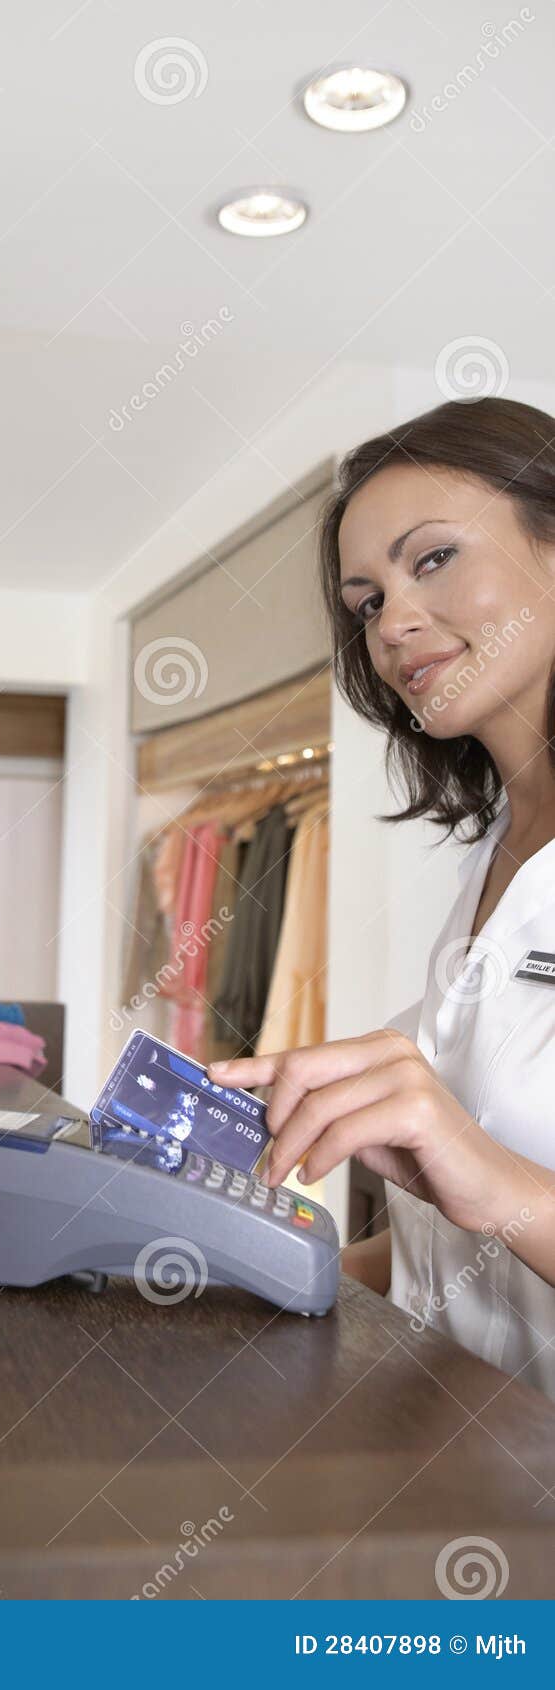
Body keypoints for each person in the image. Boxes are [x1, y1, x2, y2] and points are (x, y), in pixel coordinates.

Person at [207, 394, 555, 1401]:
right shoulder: (489, 861)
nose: (393, 621)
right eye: (364, 601)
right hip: (453, 1470)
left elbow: (487, 1193)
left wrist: (486, 1179)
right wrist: (231, 1255)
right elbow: (448, 1269)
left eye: (431, 558)